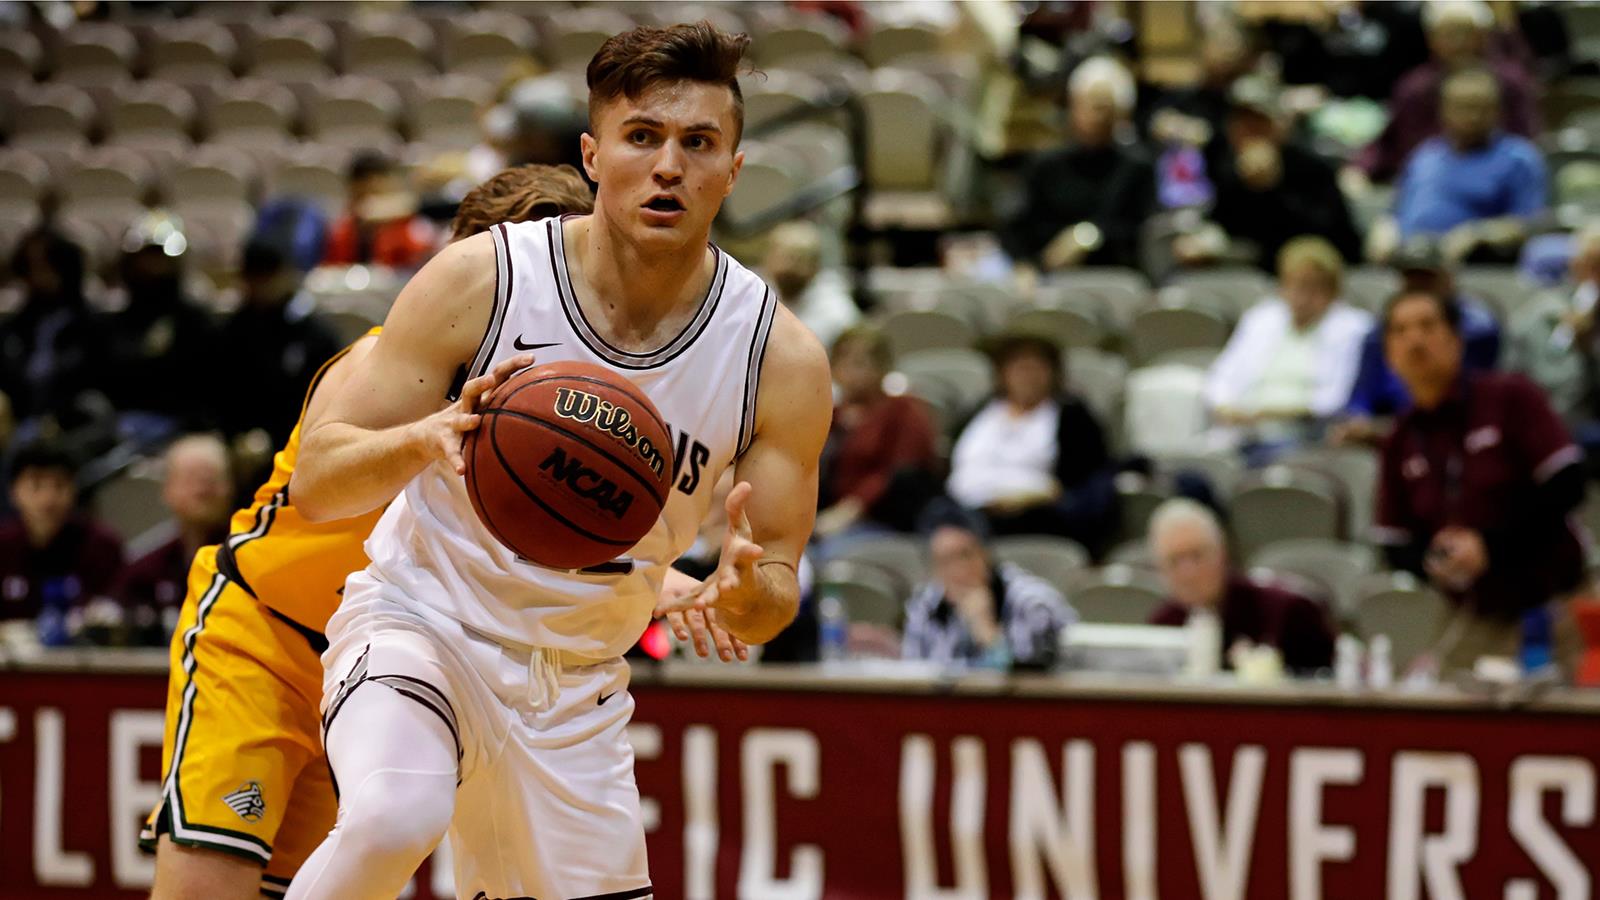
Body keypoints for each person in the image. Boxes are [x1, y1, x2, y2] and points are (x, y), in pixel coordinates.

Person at [284, 25, 831, 900]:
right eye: (642, 137)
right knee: (395, 817)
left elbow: (770, 596)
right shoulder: (481, 279)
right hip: (422, 623)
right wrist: (422, 440)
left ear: (733, 170)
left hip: (577, 689)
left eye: (699, 144)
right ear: (592, 154)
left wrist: (745, 596)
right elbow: (316, 481)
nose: (668, 166)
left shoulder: (781, 362)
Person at [141, 165, 600, 900]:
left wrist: (676, 583)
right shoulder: (386, 360)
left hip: (370, 672)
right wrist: (426, 436)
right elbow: (317, 490)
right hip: (262, 636)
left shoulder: (556, 411)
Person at [1375, 288, 1587, 673]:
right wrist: (1438, 558)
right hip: (1478, 612)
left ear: (1455, 339)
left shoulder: (1509, 397)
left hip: (1558, 599)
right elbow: (1393, 543)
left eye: (1427, 326)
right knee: (1449, 721)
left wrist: (1489, 545)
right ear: (1388, 353)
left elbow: (1567, 483)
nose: (1415, 340)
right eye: (1400, 330)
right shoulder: (1400, 439)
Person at [946, 327, 1117, 553]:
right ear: (1002, 373)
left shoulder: (1072, 417)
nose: (1027, 377)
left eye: (1035, 368)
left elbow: (1086, 481)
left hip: (1036, 516)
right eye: (1019, 368)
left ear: (1053, 373)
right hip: (967, 513)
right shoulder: (979, 412)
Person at [1176, 77, 1361, 270]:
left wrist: (1272, 187)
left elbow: (1334, 238)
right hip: (1247, 270)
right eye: (1241, 122)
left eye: (1259, 123)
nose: (1248, 131)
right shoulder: (1220, 163)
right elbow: (1222, 221)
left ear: (1281, 126)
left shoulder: (1313, 168)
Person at [1205, 236, 1372, 448]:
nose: (1302, 297)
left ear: (1333, 291)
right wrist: (1227, 408)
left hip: (1307, 434)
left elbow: (1335, 399)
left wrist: (1269, 414)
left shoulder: (1354, 328)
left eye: (1312, 287)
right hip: (1245, 428)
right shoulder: (1260, 319)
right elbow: (1221, 377)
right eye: (1295, 285)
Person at [1336, 238, 1502, 443]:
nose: (1418, 287)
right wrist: (1358, 420)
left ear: (1448, 279)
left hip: (1458, 425)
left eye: (1426, 279)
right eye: (1411, 279)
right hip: (1392, 427)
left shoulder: (1476, 329)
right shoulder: (1381, 333)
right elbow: (1362, 396)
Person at [1353, 0, 1538, 184]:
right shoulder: (1414, 88)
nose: (1458, 42)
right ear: (1432, 39)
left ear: (1483, 35)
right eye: (1449, 34)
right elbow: (1388, 142)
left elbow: (1525, 139)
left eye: (1465, 32)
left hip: (1494, 179)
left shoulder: (1509, 82)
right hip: (1424, 180)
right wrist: (1360, 169)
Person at [1002, 56, 1156, 272]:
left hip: (1115, 278)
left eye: (1103, 107)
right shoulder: (1044, 165)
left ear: (1121, 113)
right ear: (1073, 106)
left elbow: (1141, 231)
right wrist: (1023, 265)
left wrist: (1085, 237)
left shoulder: (1138, 167)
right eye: (1089, 105)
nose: (1096, 117)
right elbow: (1015, 227)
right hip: (1048, 279)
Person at [1146, 498, 1335, 674]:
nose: (1189, 573)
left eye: (1197, 555)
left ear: (1222, 553)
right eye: (1174, 561)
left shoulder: (1288, 612)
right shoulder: (1162, 627)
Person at [1377, 67, 1546, 264]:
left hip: (1473, 266)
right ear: (1444, 110)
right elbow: (1395, 211)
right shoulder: (1425, 154)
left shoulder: (1518, 157)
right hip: (1408, 260)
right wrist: (1385, 229)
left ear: (1498, 111)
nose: (1472, 116)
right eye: (1463, 107)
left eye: (1481, 107)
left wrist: (1478, 234)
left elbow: (1530, 223)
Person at [901, 507, 1075, 671]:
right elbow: (915, 677)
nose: (957, 570)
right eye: (944, 561)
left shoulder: (1034, 604)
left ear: (985, 554)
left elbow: (1029, 688)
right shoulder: (925, 604)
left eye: (965, 555)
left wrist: (988, 634)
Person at [814, 324, 940, 550]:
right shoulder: (829, 415)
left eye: (861, 363)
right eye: (842, 363)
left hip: (887, 520)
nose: (851, 372)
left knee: (834, 552)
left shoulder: (904, 411)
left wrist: (851, 510)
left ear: (883, 367)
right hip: (827, 518)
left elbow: (904, 473)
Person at [100, 211, 222, 442]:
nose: (150, 267)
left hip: (178, 425)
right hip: (120, 422)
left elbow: (204, 386)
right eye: (144, 258)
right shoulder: (115, 322)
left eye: (159, 258)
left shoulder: (195, 321)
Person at [218, 240, 345, 448]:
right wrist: (237, 438)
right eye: (253, 277)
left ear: (286, 274)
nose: (261, 285)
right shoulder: (233, 327)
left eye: (267, 276)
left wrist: (273, 440)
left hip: (297, 440)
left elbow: (325, 401)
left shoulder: (315, 334)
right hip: (237, 442)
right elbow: (222, 392)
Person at [0, 441, 123, 643]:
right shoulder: (3, 545)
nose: (48, 499)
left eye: (59, 485)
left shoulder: (102, 546)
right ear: (13, 491)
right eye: (36, 485)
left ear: (74, 490)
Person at [117, 435, 233, 647]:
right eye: (192, 478)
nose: (203, 490)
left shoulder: (249, 560)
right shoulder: (144, 570)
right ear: (167, 489)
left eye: (212, 479)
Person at [0, 228, 108, 433]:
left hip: (71, 424)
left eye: (45, 267)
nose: (37, 276)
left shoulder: (92, 324)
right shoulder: (15, 326)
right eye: (30, 268)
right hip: (19, 421)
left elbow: (94, 387)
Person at [1507, 223, 1600, 435]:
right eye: (1592, 265)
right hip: (1545, 429)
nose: (1597, 277)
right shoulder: (1540, 316)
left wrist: (1590, 352)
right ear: (1575, 266)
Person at [321, 152, 439, 270]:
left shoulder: (414, 229)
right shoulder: (341, 232)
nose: (371, 205)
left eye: (377, 194)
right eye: (363, 195)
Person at [761, 220, 859, 348]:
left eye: (799, 259)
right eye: (783, 257)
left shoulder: (838, 312)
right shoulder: (753, 294)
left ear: (815, 266)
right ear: (767, 260)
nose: (789, 267)